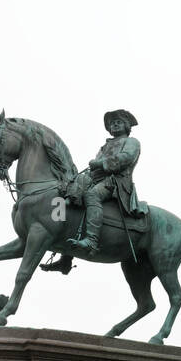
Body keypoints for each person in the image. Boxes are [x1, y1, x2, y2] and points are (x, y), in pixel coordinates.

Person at [68, 109, 147, 254]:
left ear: (127, 126)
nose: (115, 125)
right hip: (96, 178)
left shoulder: (131, 142)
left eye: (119, 122)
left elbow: (126, 158)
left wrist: (100, 163)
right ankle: (65, 255)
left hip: (116, 181)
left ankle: (92, 241)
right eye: (112, 123)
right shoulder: (105, 146)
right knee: (72, 192)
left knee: (92, 195)